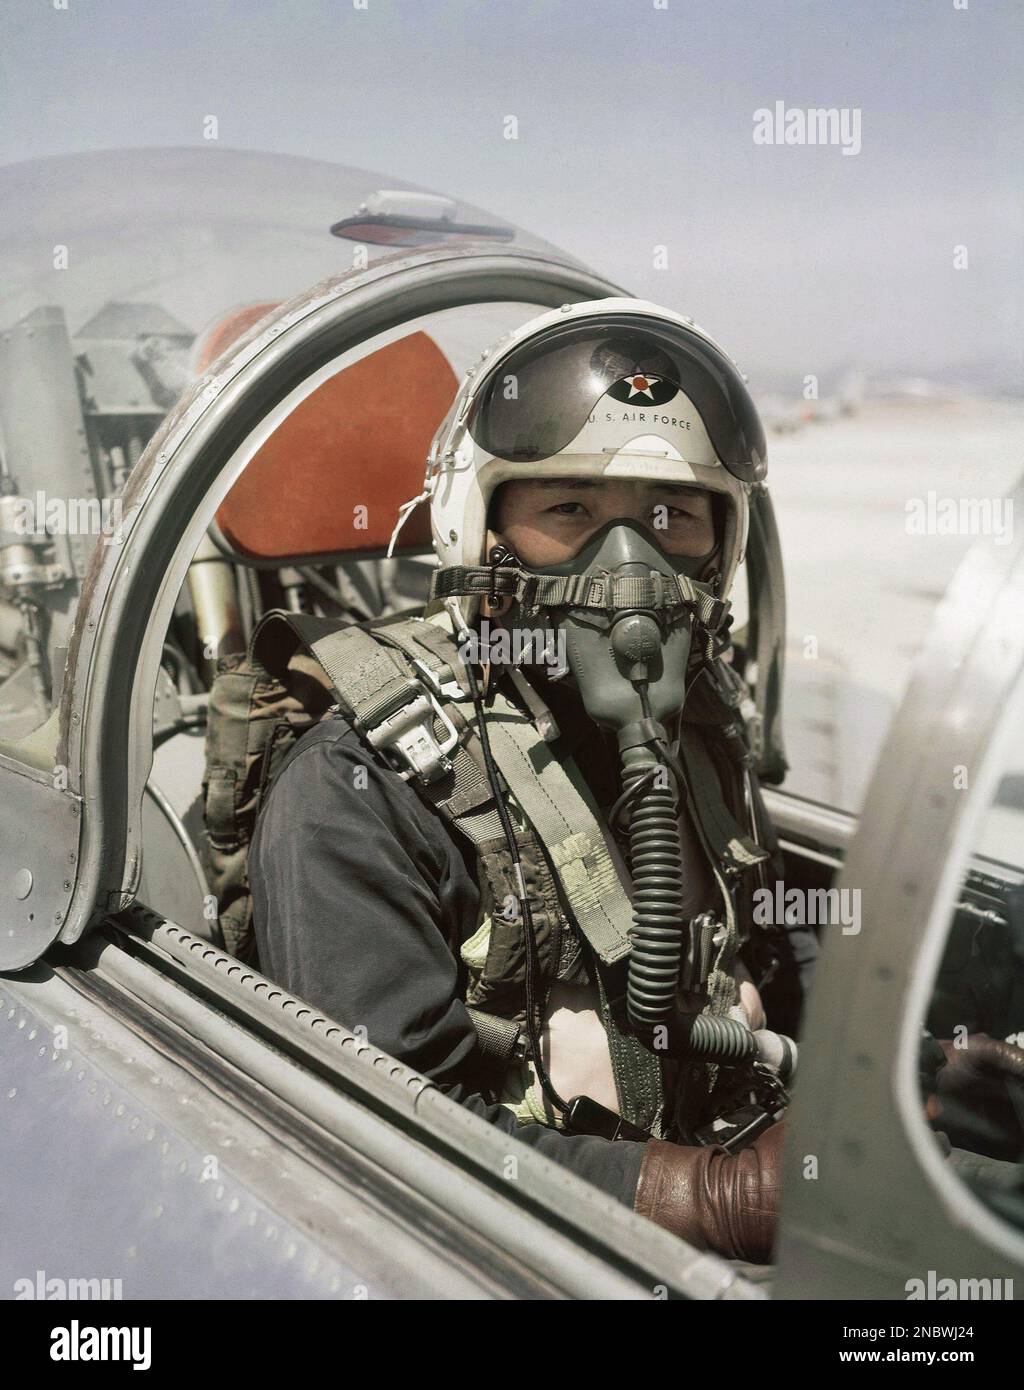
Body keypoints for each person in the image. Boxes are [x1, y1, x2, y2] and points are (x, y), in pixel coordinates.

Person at [250, 298, 793, 1261]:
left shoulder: (704, 728)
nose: (628, 569)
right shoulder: (361, 786)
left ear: (723, 542)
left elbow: (776, 955)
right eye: (569, 510)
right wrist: (710, 1200)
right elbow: (378, 1139)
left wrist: (911, 1087)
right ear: (483, 532)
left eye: (670, 517)